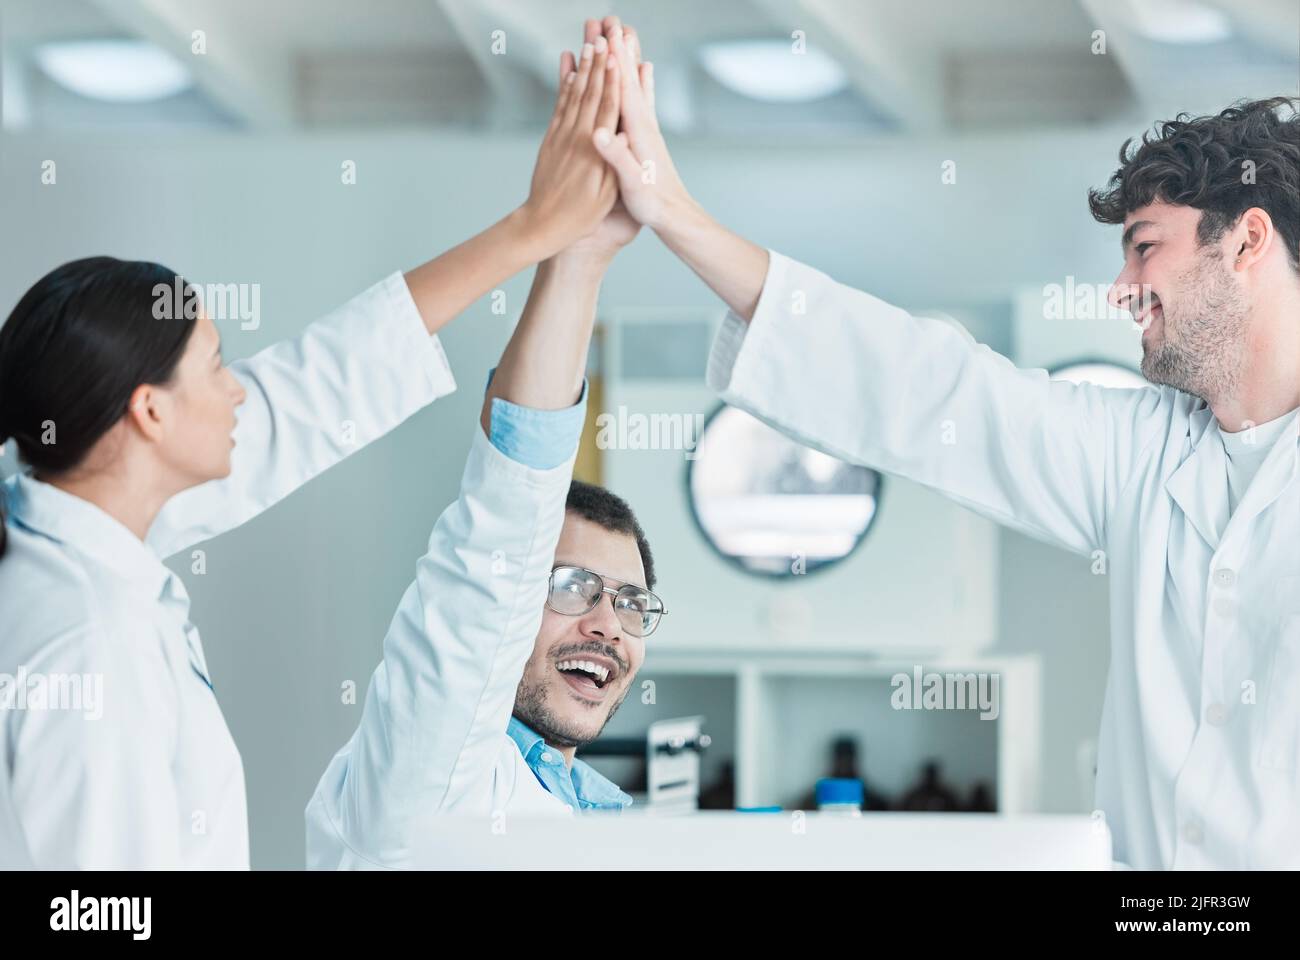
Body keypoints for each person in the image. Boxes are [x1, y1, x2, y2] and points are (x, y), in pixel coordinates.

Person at [590, 15, 1299, 868]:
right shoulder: (1142, 451)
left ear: (1247, 242)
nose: (1121, 290)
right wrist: (671, 211)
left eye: (1144, 249)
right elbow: (932, 388)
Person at [0, 27, 629, 869]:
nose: (240, 392)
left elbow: (312, 387)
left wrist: (541, 233)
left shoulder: (86, 525)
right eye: (218, 368)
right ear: (147, 413)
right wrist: (550, 239)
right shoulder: (86, 644)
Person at [307, 27, 663, 870]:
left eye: (630, 602)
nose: (608, 625)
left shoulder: (599, 814)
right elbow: (500, 523)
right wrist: (574, 256)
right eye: (573, 587)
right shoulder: (433, 776)